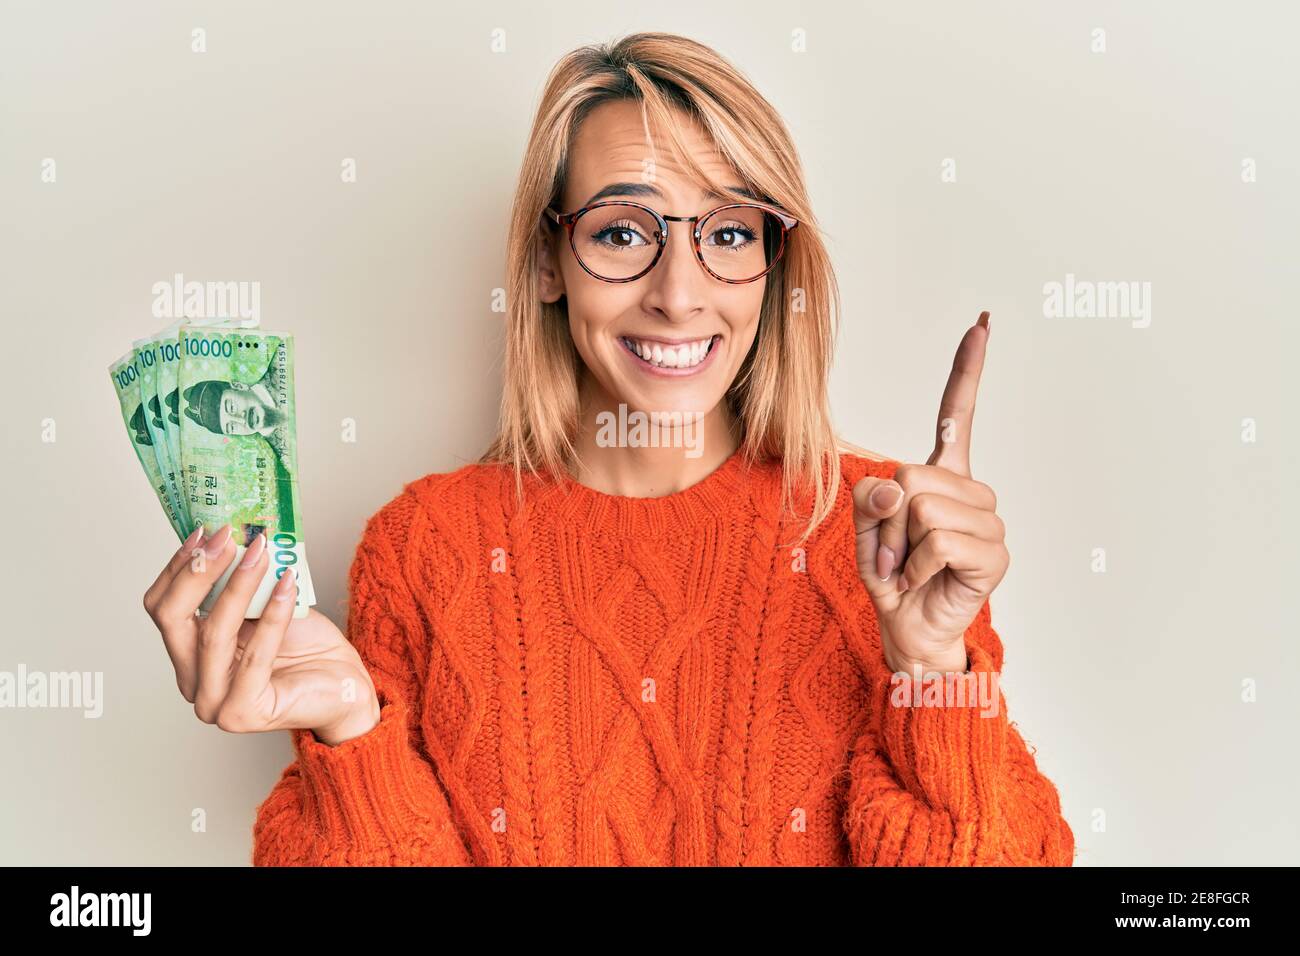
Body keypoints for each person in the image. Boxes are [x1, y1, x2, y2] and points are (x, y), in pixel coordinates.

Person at [141, 32, 1074, 866]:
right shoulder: (426, 549)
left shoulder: (880, 540)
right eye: (624, 231)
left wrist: (930, 674)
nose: (679, 291)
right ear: (546, 261)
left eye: (731, 231)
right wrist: (353, 739)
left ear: (772, 267)